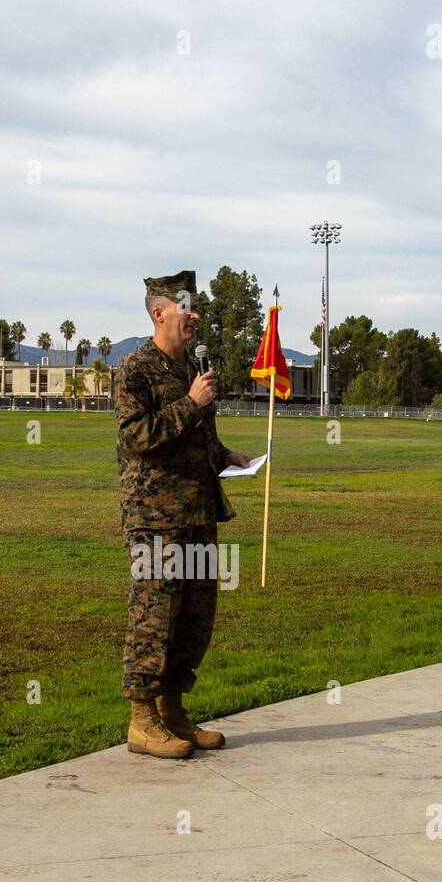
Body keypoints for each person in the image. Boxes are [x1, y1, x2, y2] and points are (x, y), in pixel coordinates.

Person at [115, 270, 252, 758]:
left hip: (197, 515)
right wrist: (192, 404)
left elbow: (194, 441)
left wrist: (226, 456)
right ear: (159, 312)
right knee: (154, 616)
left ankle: (173, 711)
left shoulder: (192, 370)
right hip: (156, 519)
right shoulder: (135, 369)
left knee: (194, 617)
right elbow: (136, 438)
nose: (194, 315)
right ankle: (141, 721)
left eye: (195, 306)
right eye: (185, 306)